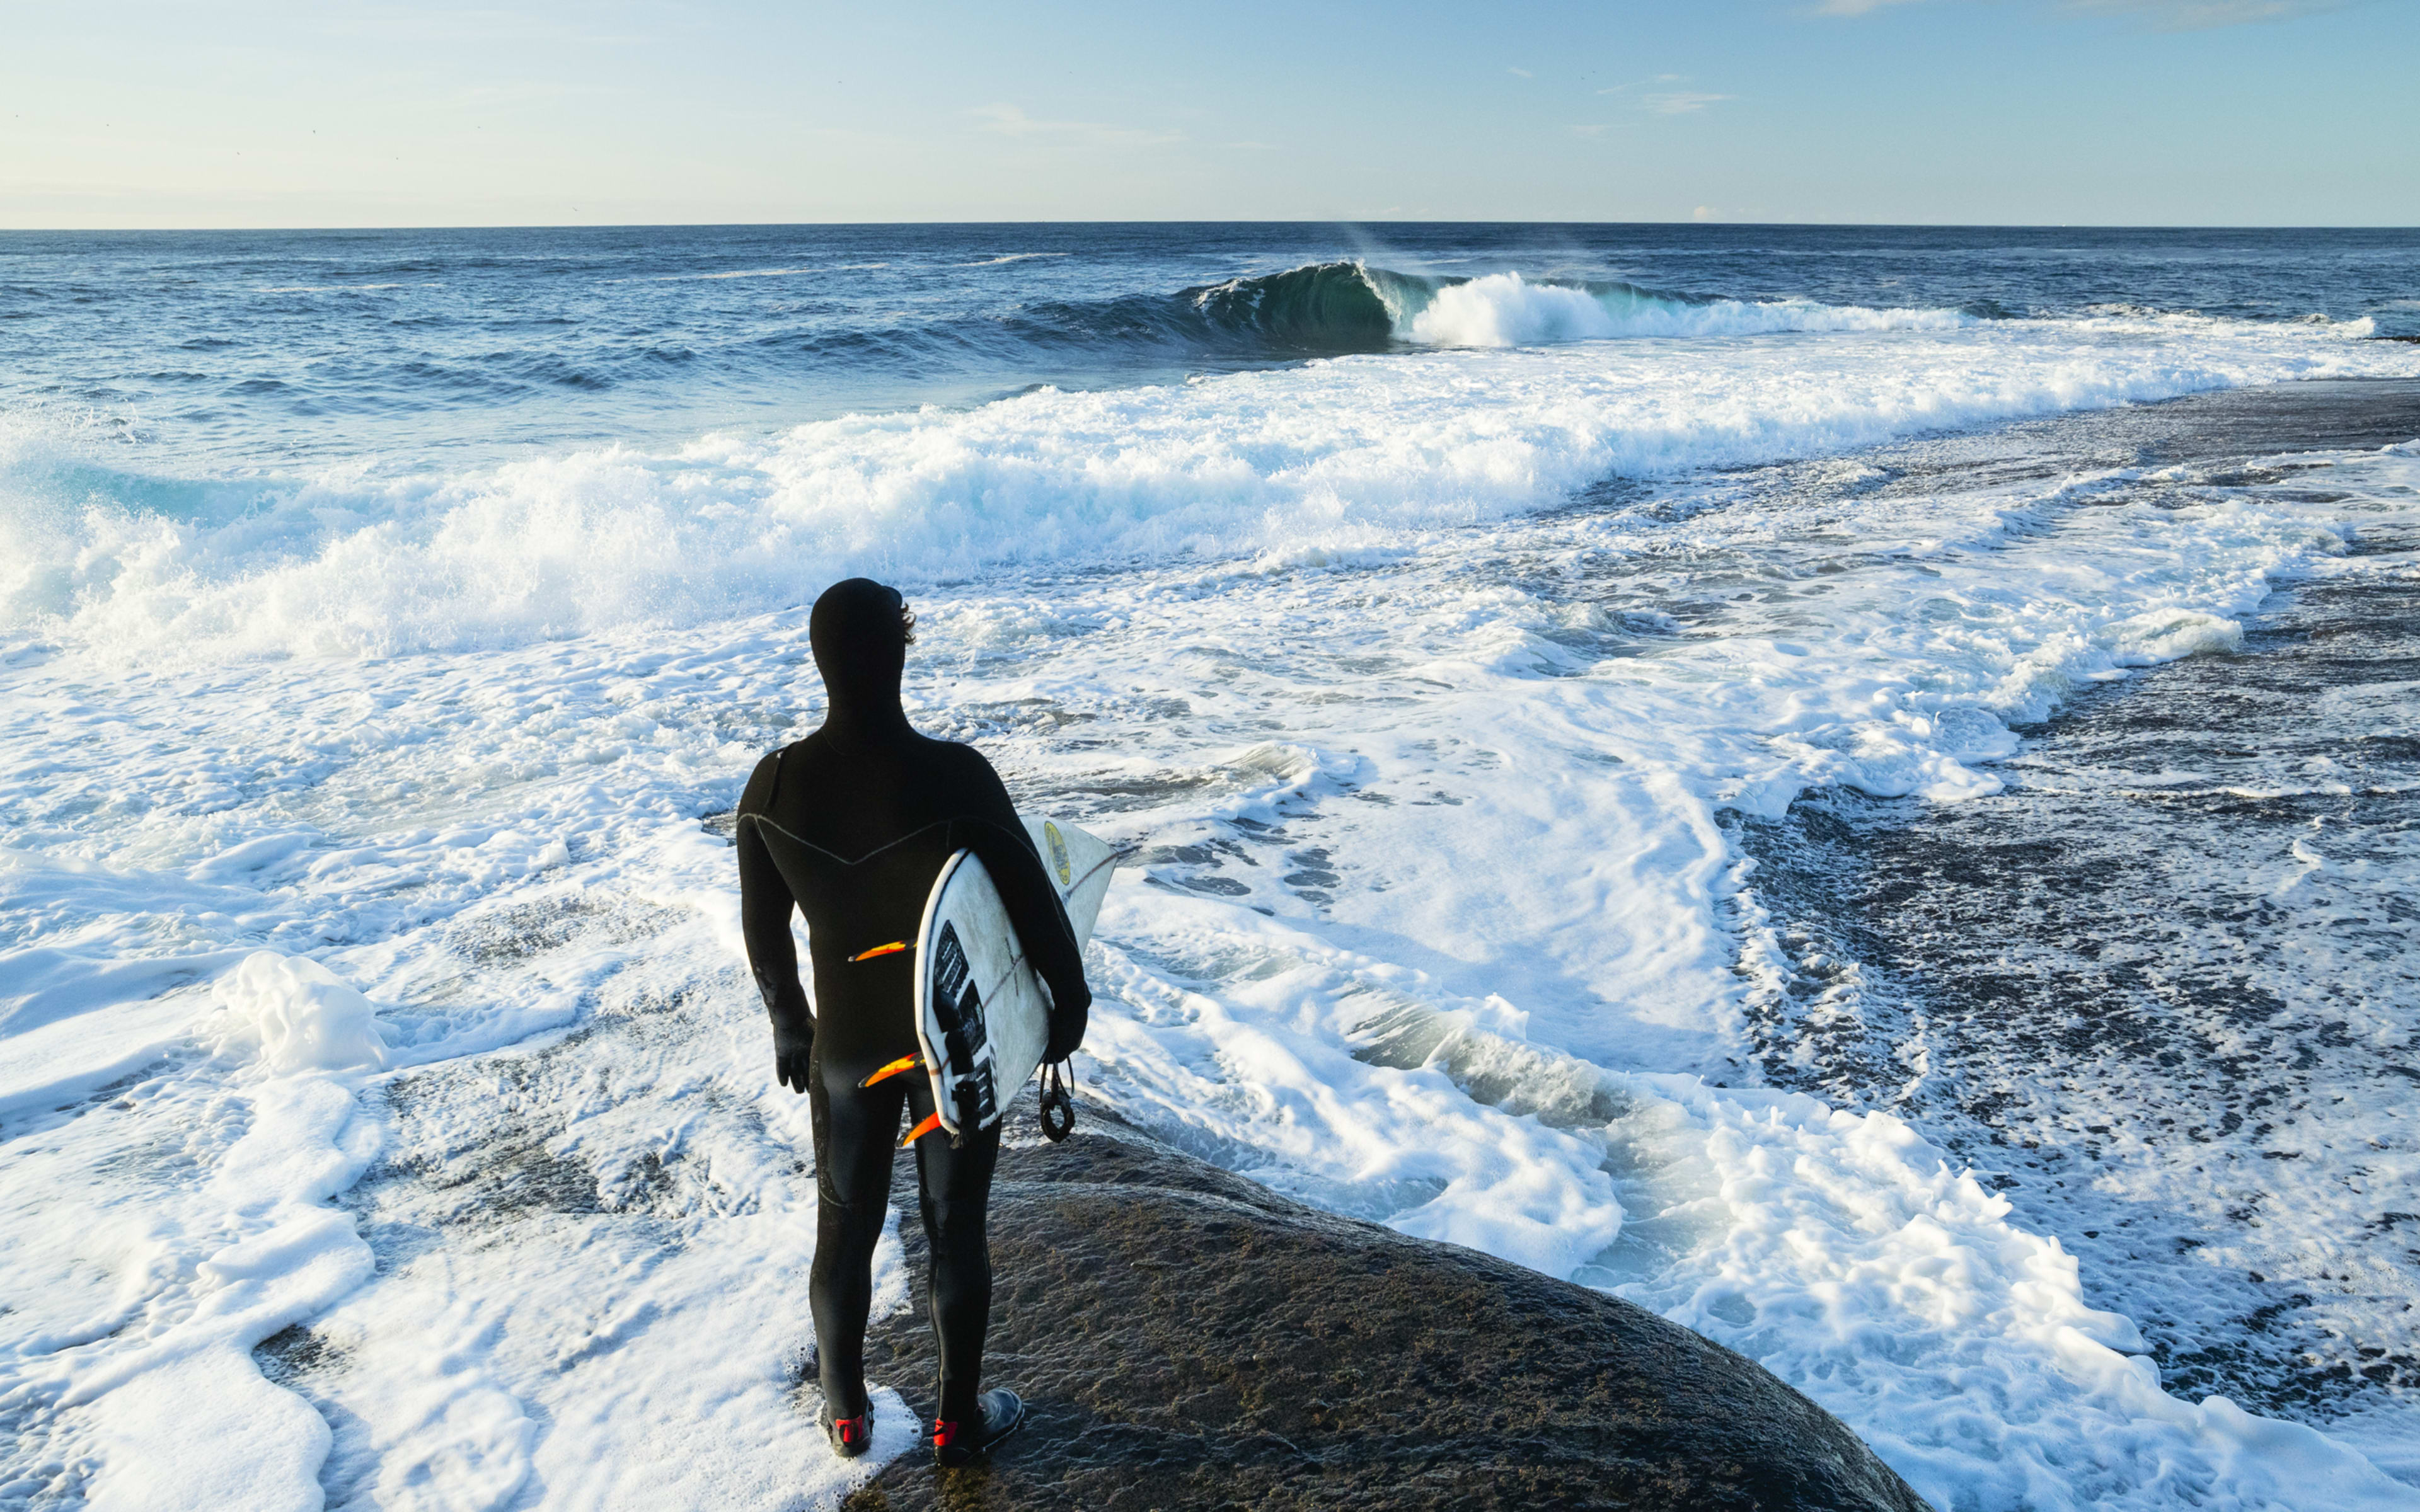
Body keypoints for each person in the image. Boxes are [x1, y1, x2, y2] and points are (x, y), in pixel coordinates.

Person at [735, 578, 1091, 1467]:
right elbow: (1034, 904)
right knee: (955, 1227)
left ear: (819, 662)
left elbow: (762, 922)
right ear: (901, 652)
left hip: (846, 1059)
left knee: (842, 1228)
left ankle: (847, 1415)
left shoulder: (772, 787)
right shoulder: (954, 776)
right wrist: (1067, 1008)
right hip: (947, 1056)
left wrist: (790, 1022)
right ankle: (954, 1422)